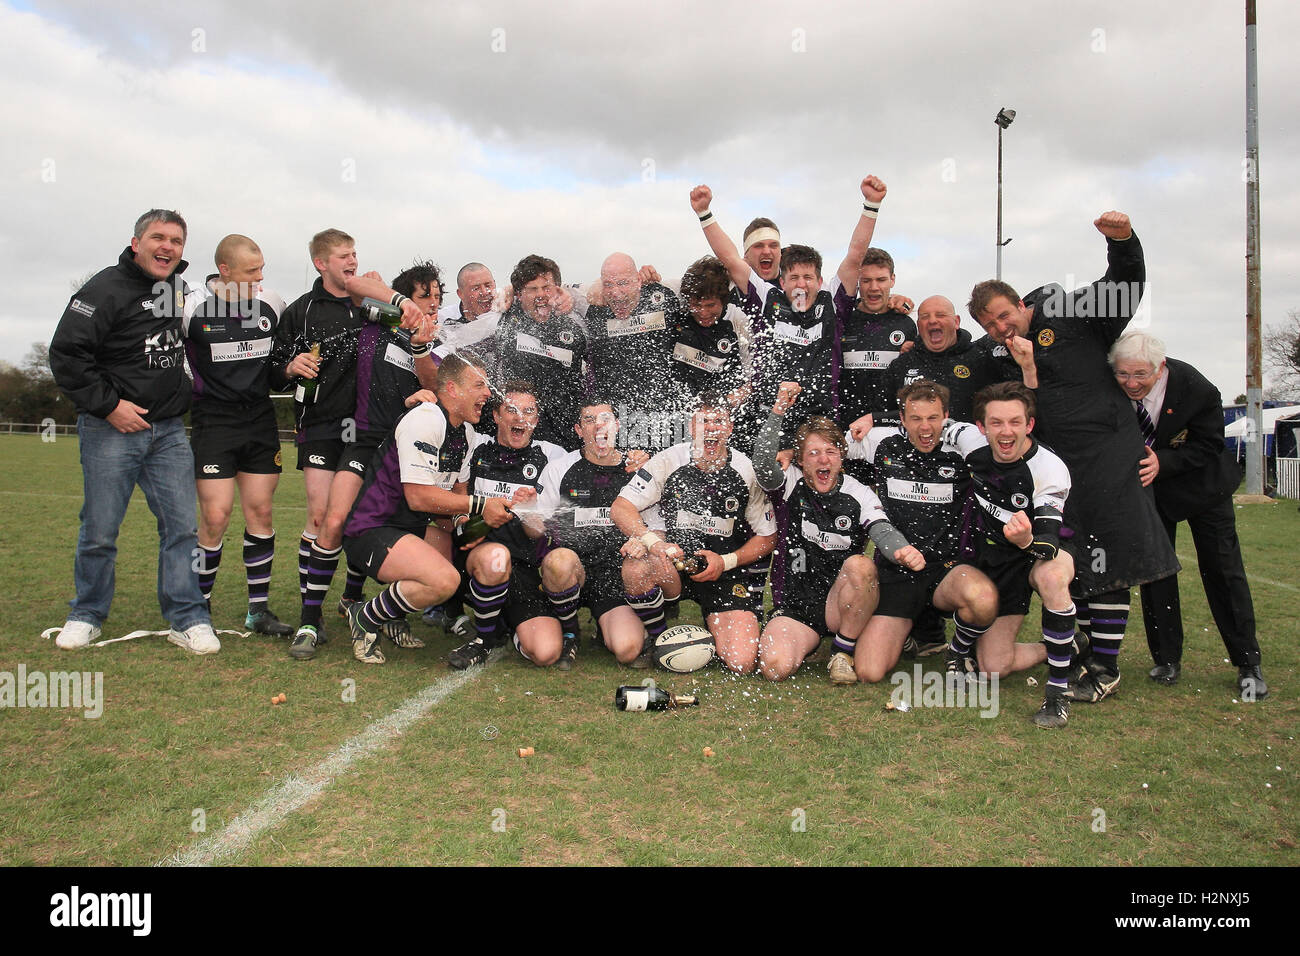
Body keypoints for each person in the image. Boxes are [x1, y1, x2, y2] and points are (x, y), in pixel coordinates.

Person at [968, 210, 1180, 703]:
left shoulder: (1071, 311)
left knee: (1109, 561)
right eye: (989, 323)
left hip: (1105, 456)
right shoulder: (998, 352)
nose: (1001, 326)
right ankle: (1082, 653)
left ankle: (1105, 667)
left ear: (1021, 302)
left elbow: (1123, 287)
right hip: (1056, 470)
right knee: (1071, 559)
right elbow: (957, 367)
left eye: (1005, 315)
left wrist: (1123, 241)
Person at [49, 209, 219, 653]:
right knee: (101, 530)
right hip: (112, 430)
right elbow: (67, 355)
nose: (167, 247)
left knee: (182, 530)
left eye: (176, 241)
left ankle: (187, 618)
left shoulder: (178, 291)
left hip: (168, 433)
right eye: (158, 238)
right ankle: (86, 614)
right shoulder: (104, 288)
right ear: (136, 242)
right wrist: (109, 407)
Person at [1110, 332, 1268, 700]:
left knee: (1223, 571)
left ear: (1159, 367)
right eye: (1122, 375)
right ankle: (1166, 659)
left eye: (1140, 375)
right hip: (1151, 492)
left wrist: (1164, 461)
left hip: (1203, 487)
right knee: (1156, 572)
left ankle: (1248, 662)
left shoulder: (1196, 388)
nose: (1131, 383)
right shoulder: (1110, 387)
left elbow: (1210, 445)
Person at [341, 354, 511, 664]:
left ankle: (393, 616)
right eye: (478, 385)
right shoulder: (426, 419)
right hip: (372, 529)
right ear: (452, 389)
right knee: (444, 580)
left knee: (460, 552)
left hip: (409, 529)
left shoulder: (467, 432)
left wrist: (464, 522)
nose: (488, 393)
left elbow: (458, 490)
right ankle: (365, 617)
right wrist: (481, 505)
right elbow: (419, 498)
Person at [843, 381, 998, 683]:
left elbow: (999, 459)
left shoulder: (963, 449)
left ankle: (959, 649)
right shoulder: (881, 442)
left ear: (946, 417)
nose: (925, 428)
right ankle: (917, 635)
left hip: (946, 569)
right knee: (868, 671)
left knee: (982, 599)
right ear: (901, 419)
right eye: (915, 418)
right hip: (897, 568)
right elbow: (831, 446)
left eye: (932, 418)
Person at [945, 382, 1079, 728]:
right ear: (981, 427)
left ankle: (1057, 695)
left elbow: (1048, 544)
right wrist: (874, 417)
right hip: (999, 560)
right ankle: (1066, 644)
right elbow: (925, 422)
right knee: (993, 667)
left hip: (1043, 549)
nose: (1006, 432)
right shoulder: (968, 439)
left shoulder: (1048, 468)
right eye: (997, 423)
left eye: (1015, 422)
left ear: (1029, 425)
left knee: (1051, 576)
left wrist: (1024, 541)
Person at [612, 394, 777, 673]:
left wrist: (725, 562)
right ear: (691, 427)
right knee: (635, 567)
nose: (711, 428)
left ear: (730, 428)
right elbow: (621, 507)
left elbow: (768, 536)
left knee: (742, 662)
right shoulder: (668, 460)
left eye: (719, 421)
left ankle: (714, 624)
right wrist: (653, 543)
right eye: (704, 421)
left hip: (722, 570)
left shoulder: (746, 469)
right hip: (672, 565)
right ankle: (658, 635)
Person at [182, 234, 294, 638]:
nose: (260, 278)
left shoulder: (272, 303)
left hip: (260, 420)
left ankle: (258, 612)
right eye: (252, 271)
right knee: (214, 516)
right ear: (224, 271)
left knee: (261, 514)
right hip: (214, 421)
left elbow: (281, 359)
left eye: (262, 268)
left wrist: (291, 368)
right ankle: (197, 610)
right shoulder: (191, 306)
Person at [752, 382, 902, 682]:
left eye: (831, 452)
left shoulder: (858, 492)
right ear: (800, 459)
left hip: (842, 604)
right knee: (774, 667)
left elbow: (881, 529)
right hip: (796, 607)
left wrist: (901, 549)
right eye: (814, 453)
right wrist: (779, 409)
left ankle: (841, 651)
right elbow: (762, 462)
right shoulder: (790, 482)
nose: (823, 460)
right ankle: (811, 641)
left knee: (861, 564)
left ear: (841, 457)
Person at [504, 400, 652, 668]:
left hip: (613, 575)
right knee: (559, 560)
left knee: (627, 650)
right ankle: (570, 632)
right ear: (578, 430)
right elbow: (536, 530)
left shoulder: (635, 468)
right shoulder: (561, 468)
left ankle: (606, 626)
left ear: (617, 425)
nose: (598, 425)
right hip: (569, 573)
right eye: (589, 420)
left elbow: (652, 527)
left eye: (605, 418)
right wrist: (526, 511)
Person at [443, 382, 569, 670]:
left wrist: (530, 511)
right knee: (495, 557)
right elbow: (443, 420)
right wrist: (423, 400)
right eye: (510, 410)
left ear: (536, 420)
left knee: (546, 652)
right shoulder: (475, 444)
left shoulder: (553, 456)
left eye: (528, 411)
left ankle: (505, 623)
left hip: (522, 568)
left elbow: (593, 462)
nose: (519, 417)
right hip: (472, 560)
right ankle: (483, 640)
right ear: (497, 416)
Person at [584, 252, 682, 454]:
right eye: (609, 285)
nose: (616, 292)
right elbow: (560, 292)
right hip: (616, 425)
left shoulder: (664, 298)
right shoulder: (595, 311)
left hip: (663, 422)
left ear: (638, 280)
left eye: (623, 283)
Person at [493, 254, 589, 450]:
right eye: (532, 289)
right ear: (519, 294)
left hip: (565, 437)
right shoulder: (503, 320)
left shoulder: (574, 326)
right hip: (519, 433)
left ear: (558, 290)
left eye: (547, 288)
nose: (541, 295)